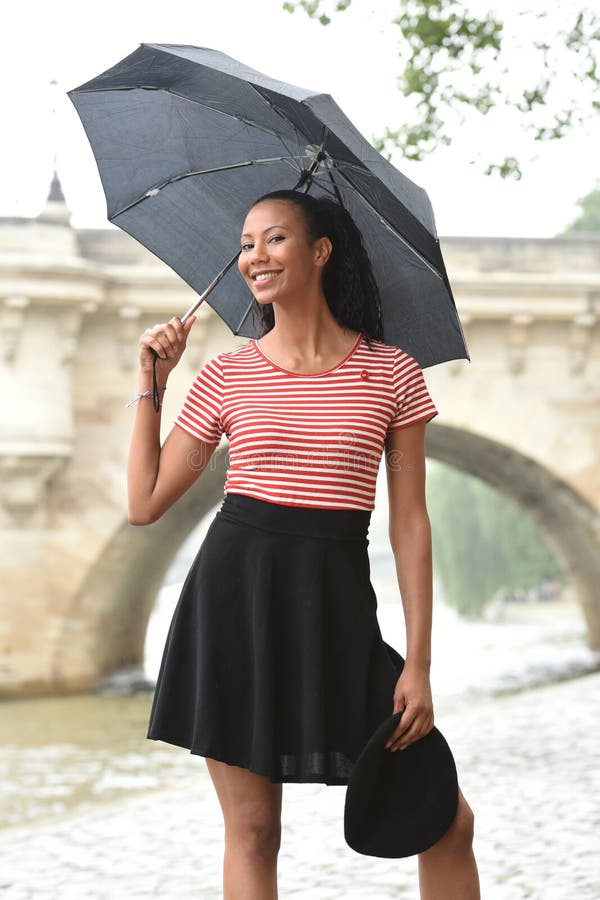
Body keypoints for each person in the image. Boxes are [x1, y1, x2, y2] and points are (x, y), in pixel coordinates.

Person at [127, 189, 480, 899]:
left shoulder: (392, 373)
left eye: (275, 240)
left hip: (340, 611)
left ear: (321, 252)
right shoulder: (227, 374)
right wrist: (152, 386)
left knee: (446, 818)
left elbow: (410, 522)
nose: (255, 256)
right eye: (248, 242)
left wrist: (419, 661)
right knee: (254, 834)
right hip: (235, 608)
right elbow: (144, 504)